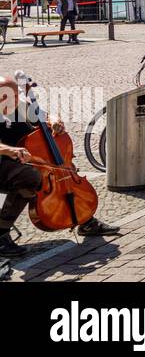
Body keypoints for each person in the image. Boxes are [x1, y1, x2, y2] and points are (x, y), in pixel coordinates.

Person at [0, 73, 120, 257]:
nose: (15, 99)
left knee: (57, 171)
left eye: (16, 94)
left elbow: (44, 115)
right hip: (4, 165)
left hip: (28, 160)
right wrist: (9, 150)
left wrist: (54, 119)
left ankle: (85, 220)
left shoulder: (20, 105)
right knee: (30, 178)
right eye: (8, 96)